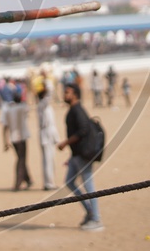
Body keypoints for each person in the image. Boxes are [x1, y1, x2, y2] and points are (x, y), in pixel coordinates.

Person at [57, 83, 103, 231]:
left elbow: (83, 130)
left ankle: (96, 219)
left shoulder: (78, 110)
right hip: (76, 155)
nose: (65, 95)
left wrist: (65, 143)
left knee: (89, 186)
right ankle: (89, 211)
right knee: (69, 182)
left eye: (68, 92)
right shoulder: (72, 110)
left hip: (83, 155)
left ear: (75, 94)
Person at [1, 90, 32, 191]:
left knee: (21, 158)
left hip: (13, 138)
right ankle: (18, 183)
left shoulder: (8, 110)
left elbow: (5, 127)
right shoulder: (23, 107)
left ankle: (28, 179)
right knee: (21, 159)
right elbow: (29, 105)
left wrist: (5, 141)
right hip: (22, 137)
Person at [36, 84, 60, 190]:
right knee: (47, 160)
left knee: (51, 160)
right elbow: (50, 94)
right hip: (45, 135)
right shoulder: (42, 105)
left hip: (50, 134)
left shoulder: (46, 106)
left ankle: (50, 182)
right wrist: (47, 81)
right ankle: (48, 183)